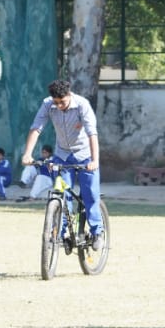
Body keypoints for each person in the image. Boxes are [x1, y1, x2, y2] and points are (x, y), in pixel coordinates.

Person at [21, 80, 102, 248]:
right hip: (62, 155)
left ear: (69, 95)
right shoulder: (48, 104)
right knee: (62, 193)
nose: (59, 106)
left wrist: (95, 161)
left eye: (62, 102)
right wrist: (27, 154)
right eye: (56, 102)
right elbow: (36, 128)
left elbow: (92, 133)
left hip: (85, 155)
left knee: (90, 195)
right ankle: (59, 232)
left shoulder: (82, 105)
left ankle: (97, 232)